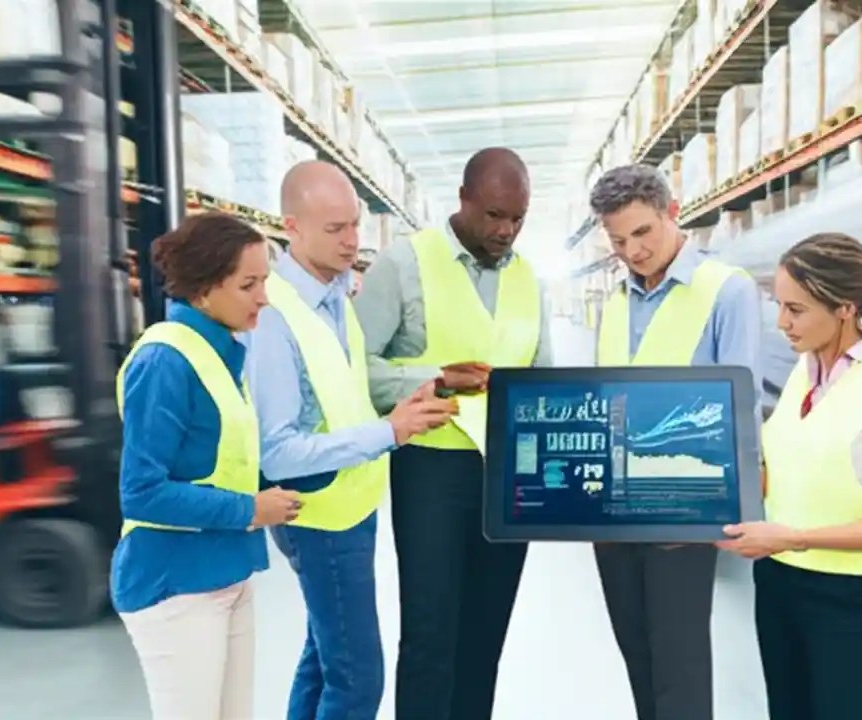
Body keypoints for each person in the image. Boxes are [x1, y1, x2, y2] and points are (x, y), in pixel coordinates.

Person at [244, 161, 456, 720]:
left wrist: (404, 406)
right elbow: (278, 450)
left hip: (352, 507)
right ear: (292, 226)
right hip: (317, 517)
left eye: (355, 225)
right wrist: (389, 432)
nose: (352, 241)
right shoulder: (274, 318)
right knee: (359, 679)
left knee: (323, 657)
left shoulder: (340, 296)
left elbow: (346, 396)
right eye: (335, 229)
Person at [354, 147, 553, 720]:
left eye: (518, 218)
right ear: (463, 200)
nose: (506, 230)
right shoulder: (402, 265)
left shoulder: (528, 278)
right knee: (431, 634)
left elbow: (545, 378)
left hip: (509, 479)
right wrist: (435, 378)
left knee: (485, 636)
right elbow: (357, 369)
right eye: (494, 215)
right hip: (432, 472)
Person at [717, 232, 862, 720]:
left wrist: (793, 537)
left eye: (795, 310)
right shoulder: (803, 374)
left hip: (857, 603)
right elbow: (790, 473)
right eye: (779, 305)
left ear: (843, 308)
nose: (781, 323)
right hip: (781, 587)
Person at [112, 211, 304, 720]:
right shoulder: (165, 362)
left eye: (264, 281)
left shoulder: (220, 353)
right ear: (202, 291)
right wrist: (250, 509)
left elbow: (225, 460)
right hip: (175, 582)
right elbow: (142, 491)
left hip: (227, 572)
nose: (263, 296)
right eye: (249, 284)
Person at [588, 164, 762, 720]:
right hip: (615, 509)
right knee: (636, 653)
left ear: (671, 212)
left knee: (679, 665)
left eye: (643, 233)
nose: (632, 251)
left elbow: (743, 405)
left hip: (684, 504)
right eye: (618, 241)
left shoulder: (725, 291)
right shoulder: (616, 301)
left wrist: (736, 515)